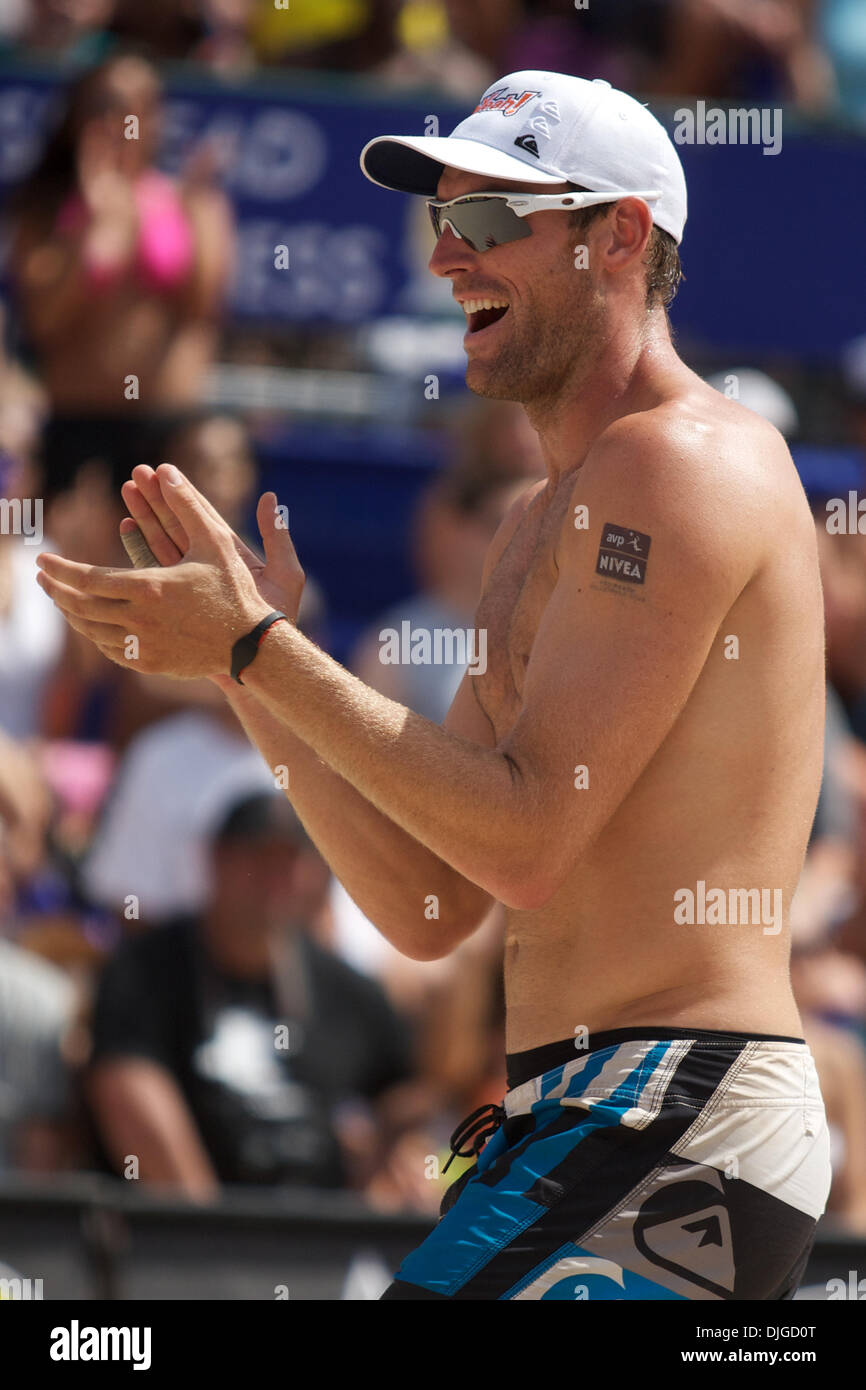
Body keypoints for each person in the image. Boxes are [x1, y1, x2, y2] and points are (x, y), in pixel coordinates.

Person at [37, 71, 832, 1300]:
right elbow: (427, 902)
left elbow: (525, 840)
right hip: (600, 1107)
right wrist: (247, 670)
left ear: (615, 234)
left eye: (487, 225)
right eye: (441, 225)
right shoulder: (536, 518)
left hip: (675, 1105)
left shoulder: (680, 461)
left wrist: (257, 646)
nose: (448, 260)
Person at [86, 791, 415, 1197]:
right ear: (214, 859)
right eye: (258, 857)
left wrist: (387, 1157)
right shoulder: (147, 970)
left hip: (324, 1235)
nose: (274, 879)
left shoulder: (345, 988)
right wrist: (214, 1236)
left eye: (291, 860)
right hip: (187, 1235)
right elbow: (125, 1088)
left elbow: (407, 1093)